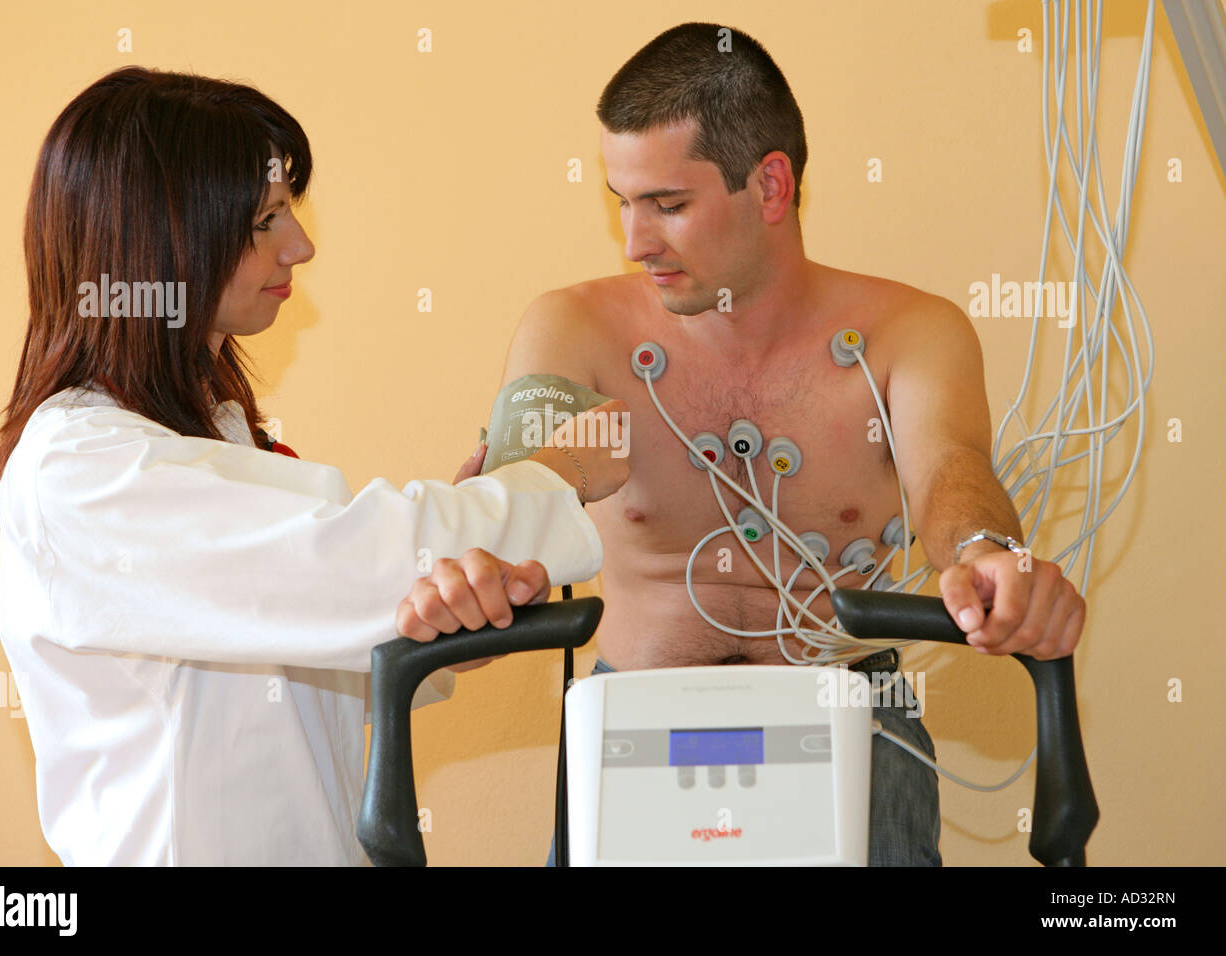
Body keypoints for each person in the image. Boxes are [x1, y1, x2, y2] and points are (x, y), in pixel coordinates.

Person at [446, 22, 1087, 866]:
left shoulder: (910, 332)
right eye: (622, 203)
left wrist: (986, 551)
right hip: (641, 716)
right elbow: (519, 488)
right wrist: (477, 552)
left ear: (772, 186)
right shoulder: (576, 329)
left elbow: (950, 470)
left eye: (668, 206)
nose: (636, 243)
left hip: (855, 712)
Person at [0, 66, 628, 866]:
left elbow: (312, 644)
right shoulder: (84, 472)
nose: (301, 246)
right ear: (161, 243)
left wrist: (446, 606)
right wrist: (557, 473)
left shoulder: (215, 438)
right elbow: (353, 552)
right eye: (264, 221)